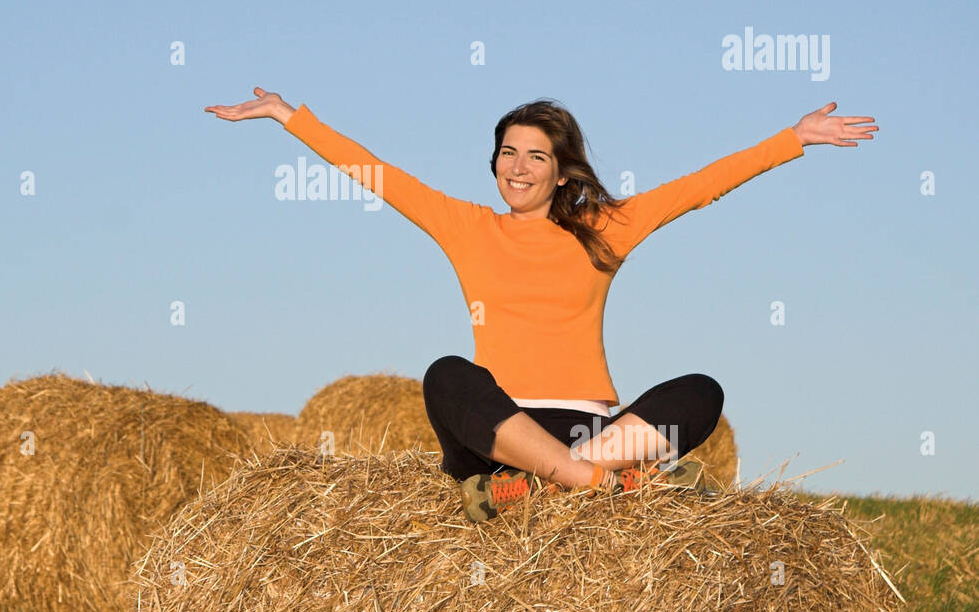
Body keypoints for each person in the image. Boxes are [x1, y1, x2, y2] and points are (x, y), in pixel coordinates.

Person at [204, 88, 877, 521]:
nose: (517, 167)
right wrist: (287, 117)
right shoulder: (467, 226)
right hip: (497, 444)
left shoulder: (603, 227)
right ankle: (590, 488)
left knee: (701, 391)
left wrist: (794, 138)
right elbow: (376, 173)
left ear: (562, 170)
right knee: (446, 375)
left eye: (535, 156)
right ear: (493, 163)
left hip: (588, 433)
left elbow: (698, 188)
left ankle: (563, 483)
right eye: (507, 153)